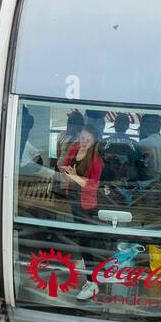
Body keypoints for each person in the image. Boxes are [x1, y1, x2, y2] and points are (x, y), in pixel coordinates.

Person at [58, 120, 106, 301]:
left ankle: (92, 282)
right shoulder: (74, 148)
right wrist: (66, 172)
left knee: (86, 241)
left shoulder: (96, 161)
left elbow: (92, 186)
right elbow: (68, 170)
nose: (83, 142)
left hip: (87, 203)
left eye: (88, 140)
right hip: (73, 198)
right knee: (81, 237)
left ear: (94, 141)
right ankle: (90, 268)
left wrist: (74, 177)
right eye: (82, 138)